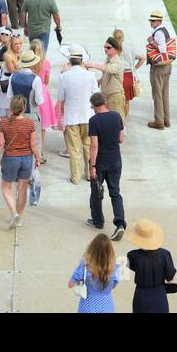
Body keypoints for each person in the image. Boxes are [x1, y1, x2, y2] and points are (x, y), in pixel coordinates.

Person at [0, 94, 42, 229]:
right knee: (22, 189)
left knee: (6, 187)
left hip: (10, 158)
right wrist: (38, 158)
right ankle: (19, 217)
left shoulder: (4, 122)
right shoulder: (29, 123)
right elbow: (34, 144)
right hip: (26, 158)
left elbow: (0, 143)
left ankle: (14, 212)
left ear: (11, 107)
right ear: (24, 108)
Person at [86, 92, 126, 239]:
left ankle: (98, 221)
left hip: (100, 162)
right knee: (115, 193)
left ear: (94, 106)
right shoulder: (116, 116)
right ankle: (120, 224)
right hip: (115, 160)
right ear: (105, 102)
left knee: (96, 192)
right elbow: (121, 139)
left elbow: (94, 146)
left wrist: (93, 166)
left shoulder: (94, 120)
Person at [59, 46, 99, 183]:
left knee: (74, 149)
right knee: (88, 147)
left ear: (70, 59)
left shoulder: (64, 76)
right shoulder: (90, 75)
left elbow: (61, 98)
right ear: (81, 59)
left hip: (71, 117)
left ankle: (75, 177)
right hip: (88, 115)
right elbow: (96, 94)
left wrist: (61, 116)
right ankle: (90, 174)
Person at [69, 234, 122, 313]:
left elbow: (70, 284)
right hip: (107, 307)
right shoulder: (115, 268)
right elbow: (113, 286)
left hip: (87, 307)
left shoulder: (84, 267)